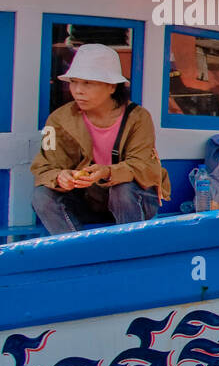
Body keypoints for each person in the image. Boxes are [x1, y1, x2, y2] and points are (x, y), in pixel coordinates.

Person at [31, 44, 171, 234]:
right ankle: (78, 253)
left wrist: (106, 172)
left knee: (121, 190)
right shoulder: (59, 119)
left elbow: (143, 165)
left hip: (133, 202)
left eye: (88, 83)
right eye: (74, 81)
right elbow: (44, 167)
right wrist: (60, 177)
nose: (78, 90)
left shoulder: (138, 118)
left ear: (112, 86)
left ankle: (130, 252)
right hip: (87, 200)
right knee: (42, 195)